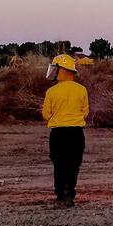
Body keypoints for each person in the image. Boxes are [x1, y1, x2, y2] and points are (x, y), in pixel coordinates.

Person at [42, 54, 88, 207]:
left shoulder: (51, 92)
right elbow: (85, 112)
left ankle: (60, 193)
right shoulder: (82, 90)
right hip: (76, 133)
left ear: (62, 70)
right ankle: (70, 192)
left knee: (59, 163)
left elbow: (46, 114)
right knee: (74, 163)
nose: (54, 72)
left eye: (56, 69)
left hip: (58, 134)